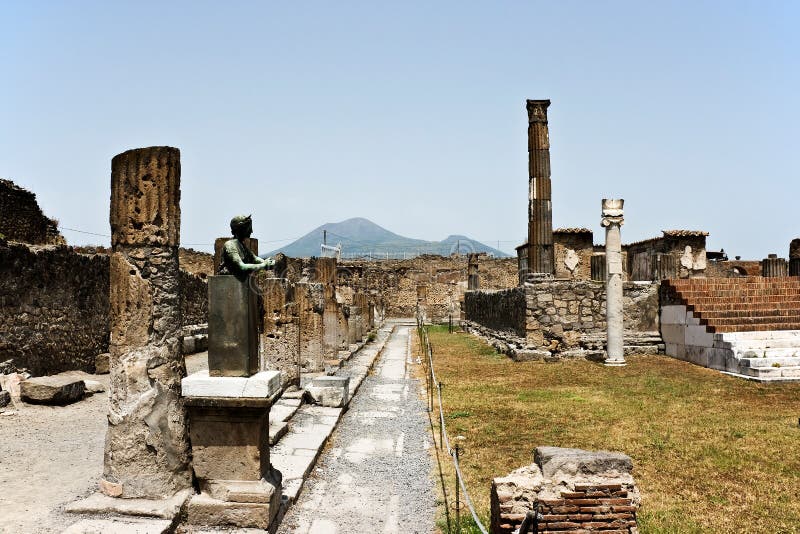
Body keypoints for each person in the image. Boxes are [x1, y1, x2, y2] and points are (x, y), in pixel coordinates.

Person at [219, 215, 275, 281]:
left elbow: (254, 258)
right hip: (228, 282)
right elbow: (241, 267)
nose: (251, 231)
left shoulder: (242, 246)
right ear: (241, 228)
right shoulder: (230, 245)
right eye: (249, 228)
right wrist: (264, 265)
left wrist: (268, 262)